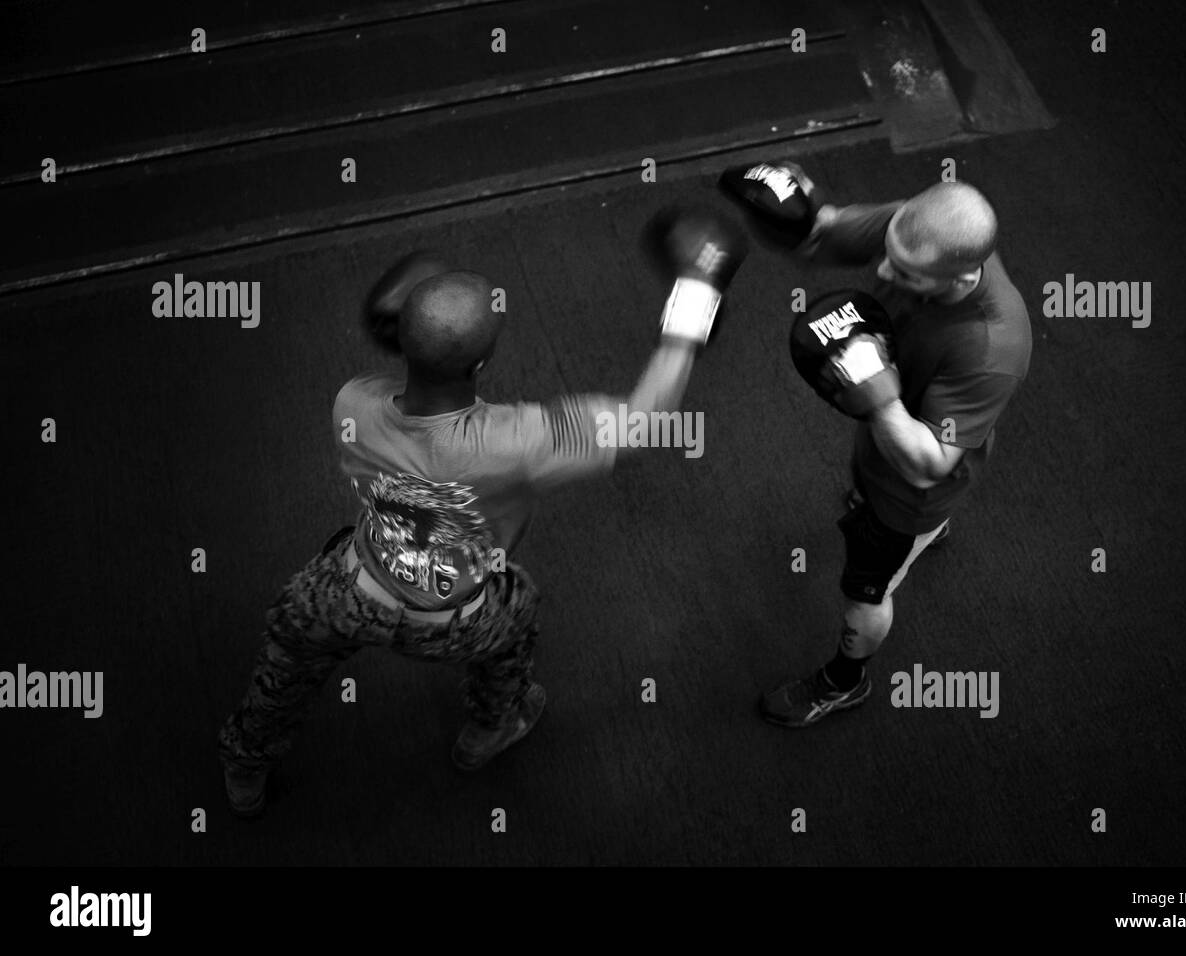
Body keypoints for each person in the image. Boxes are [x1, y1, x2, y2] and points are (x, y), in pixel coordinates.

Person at [217, 209, 747, 816]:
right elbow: (644, 419)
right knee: (515, 621)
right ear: (481, 366)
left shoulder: (354, 401)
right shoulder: (518, 441)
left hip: (351, 587)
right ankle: (486, 732)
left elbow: (411, 382)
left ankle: (244, 762)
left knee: (285, 652)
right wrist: (693, 303)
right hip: (459, 616)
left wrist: (417, 332)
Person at [723, 169, 1032, 727]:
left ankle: (844, 681)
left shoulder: (993, 344)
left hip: (907, 495)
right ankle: (930, 535)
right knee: (887, 468)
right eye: (889, 254)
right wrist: (776, 216)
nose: (885, 271)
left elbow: (927, 467)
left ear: (962, 276)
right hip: (908, 439)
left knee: (864, 592)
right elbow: (819, 238)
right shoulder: (910, 230)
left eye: (906, 274)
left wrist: (876, 389)